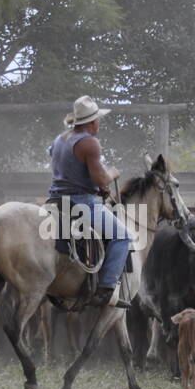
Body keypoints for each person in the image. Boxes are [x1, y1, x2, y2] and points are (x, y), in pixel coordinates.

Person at [48, 95, 131, 306]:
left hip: (55, 198)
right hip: (81, 201)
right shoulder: (90, 143)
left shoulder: (60, 139)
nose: (99, 123)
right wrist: (112, 173)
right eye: (98, 120)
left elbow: (71, 167)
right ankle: (106, 289)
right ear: (93, 122)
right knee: (122, 236)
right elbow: (101, 179)